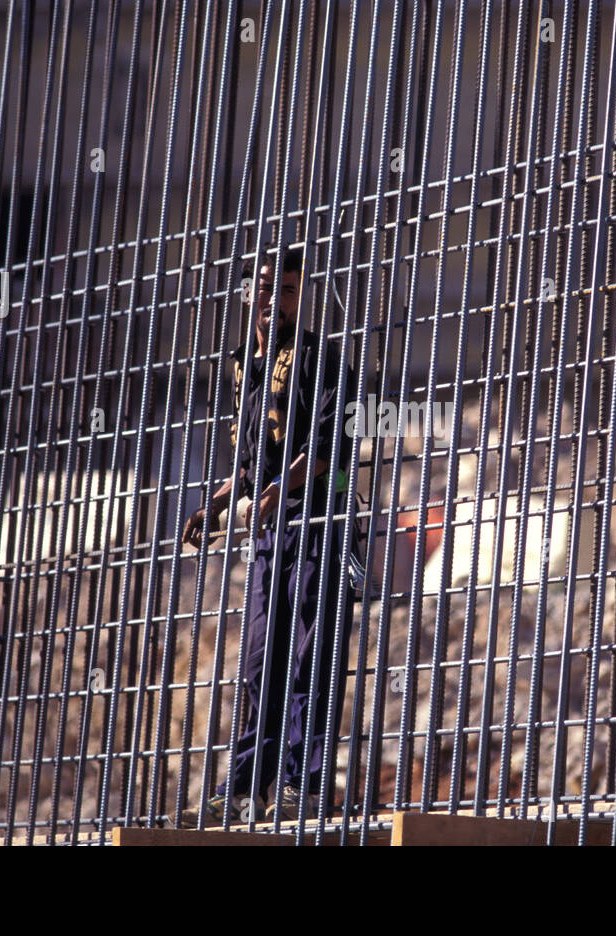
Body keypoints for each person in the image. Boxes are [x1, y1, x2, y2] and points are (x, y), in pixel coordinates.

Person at [181, 244, 358, 827]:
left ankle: (302, 787)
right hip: (270, 529)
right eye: (263, 288)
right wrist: (218, 502)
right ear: (244, 293)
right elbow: (256, 459)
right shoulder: (240, 367)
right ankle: (244, 786)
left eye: (285, 290)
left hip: (317, 522)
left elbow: (329, 447)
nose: (273, 302)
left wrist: (278, 492)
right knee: (259, 660)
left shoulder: (321, 359)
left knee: (310, 656)